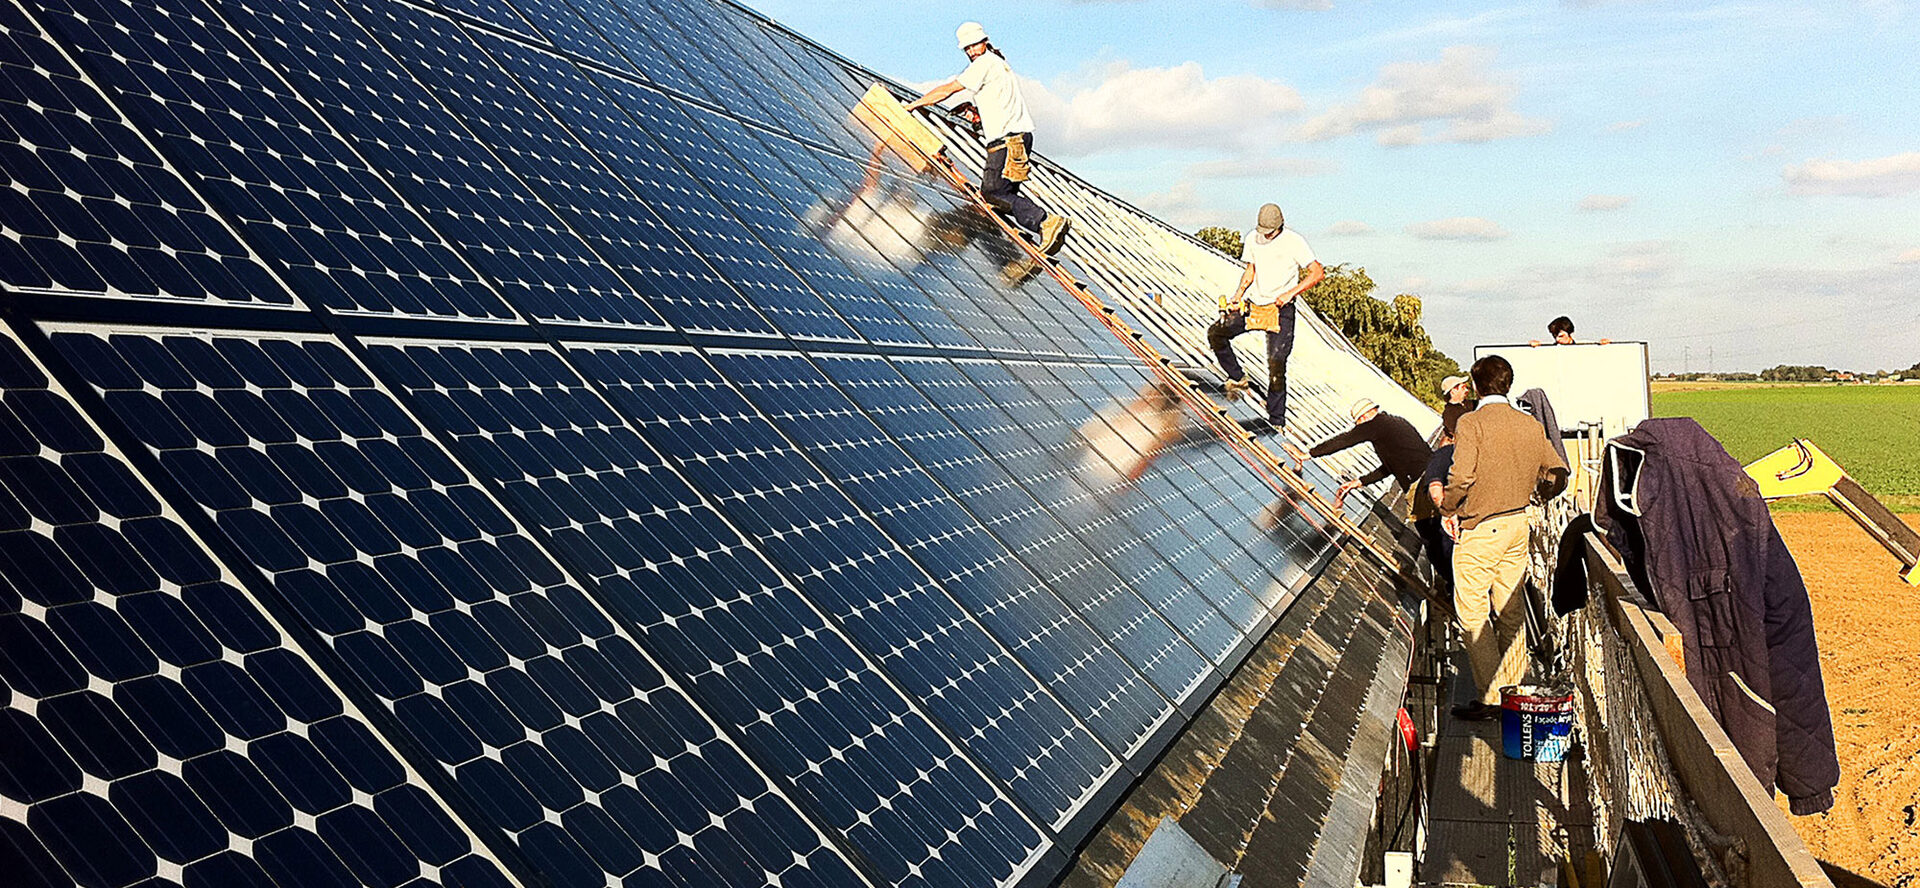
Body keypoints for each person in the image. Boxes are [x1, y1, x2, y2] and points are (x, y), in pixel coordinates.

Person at [1439, 355, 1569, 720]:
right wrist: (1538, 494)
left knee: (1472, 613)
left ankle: (1493, 697)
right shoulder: (1528, 424)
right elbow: (1557, 470)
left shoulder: (1472, 423)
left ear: (1476, 385)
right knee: (1510, 610)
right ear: (1508, 384)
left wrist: (1448, 508)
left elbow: (1462, 476)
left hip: (1481, 528)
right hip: (1518, 524)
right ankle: (1514, 691)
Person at [905, 23, 1070, 256]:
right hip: (1018, 139)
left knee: (991, 193)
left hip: (1006, 141)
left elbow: (948, 90)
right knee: (1001, 199)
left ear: (984, 41)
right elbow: (1000, 105)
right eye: (967, 49)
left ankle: (1045, 222)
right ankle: (1008, 259)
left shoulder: (984, 64)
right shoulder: (999, 65)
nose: (972, 52)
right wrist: (978, 115)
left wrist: (913, 105)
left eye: (974, 46)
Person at [1207, 202, 1324, 434]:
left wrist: (1291, 293)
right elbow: (1251, 269)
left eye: (1269, 232)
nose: (1265, 235)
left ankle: (1276, 420)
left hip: (1281, 309)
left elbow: (1317, 272)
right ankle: (1237, 376)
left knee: (1276, 362)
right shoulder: (1253, 238)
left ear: (1279, 226)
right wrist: (1237, 295)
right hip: (1255, 304)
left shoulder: (1294, 242)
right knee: (1217, 333)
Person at [1307, 398, 1431, 508]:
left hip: (1420, 485)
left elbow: (1344, 440)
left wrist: (1310, 454)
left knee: (1429, 525)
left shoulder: (1374, 425)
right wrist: (1360, 482)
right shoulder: (1397, 423)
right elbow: (1391, 466)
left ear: (1364, 417)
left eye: (1358, 424)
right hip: (1435, 473)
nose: (1359, 428)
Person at [1419, 402, 1472, 600]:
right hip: (1486, 528)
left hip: (1455, 527)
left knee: (1451, 561)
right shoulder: (1480, 454)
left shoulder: (1443, 454)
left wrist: (1447, 513)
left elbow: (1434, 491)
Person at [1530, 315, 1609, 347]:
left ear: (1570, 333)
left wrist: (1604, 346)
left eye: (1561, 336)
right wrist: (1536, 348)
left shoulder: (1584, 346)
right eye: (1554, 336)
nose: (1557, 339)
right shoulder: (1550, 349)